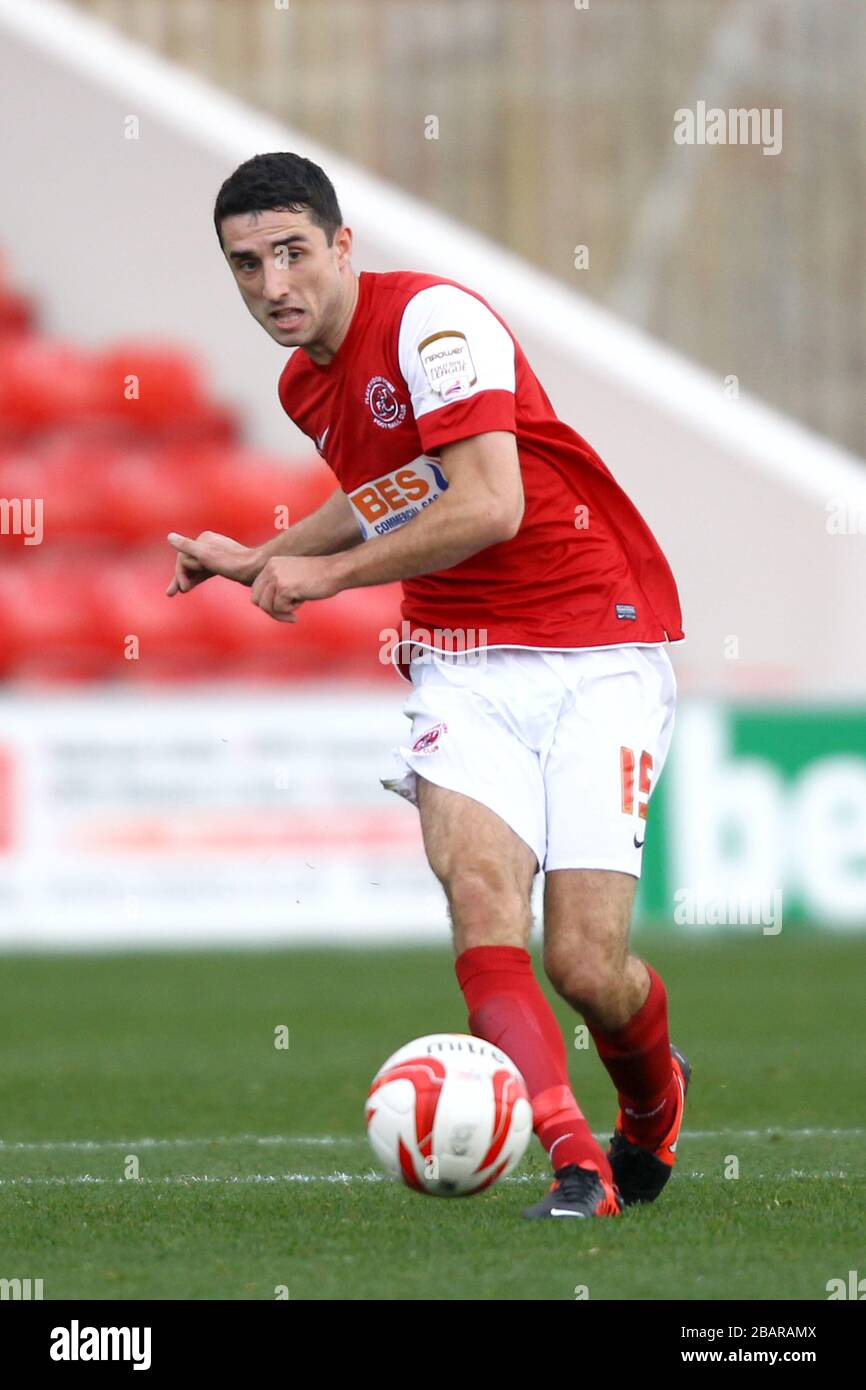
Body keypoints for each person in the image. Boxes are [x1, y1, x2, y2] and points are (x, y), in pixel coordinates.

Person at [167, 152, 691, 1219]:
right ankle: (571, 1158)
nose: (273, 284)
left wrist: (321, 578)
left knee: (586, 966)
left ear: (342, 246)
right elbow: (394, 489)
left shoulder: (433, 323)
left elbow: (486, 501)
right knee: (481, 902)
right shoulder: (301, 381)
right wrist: (263, 552)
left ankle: (652, 1104)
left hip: (594, 641)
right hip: (458, 659)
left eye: (293, 253)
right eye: (245, 264)